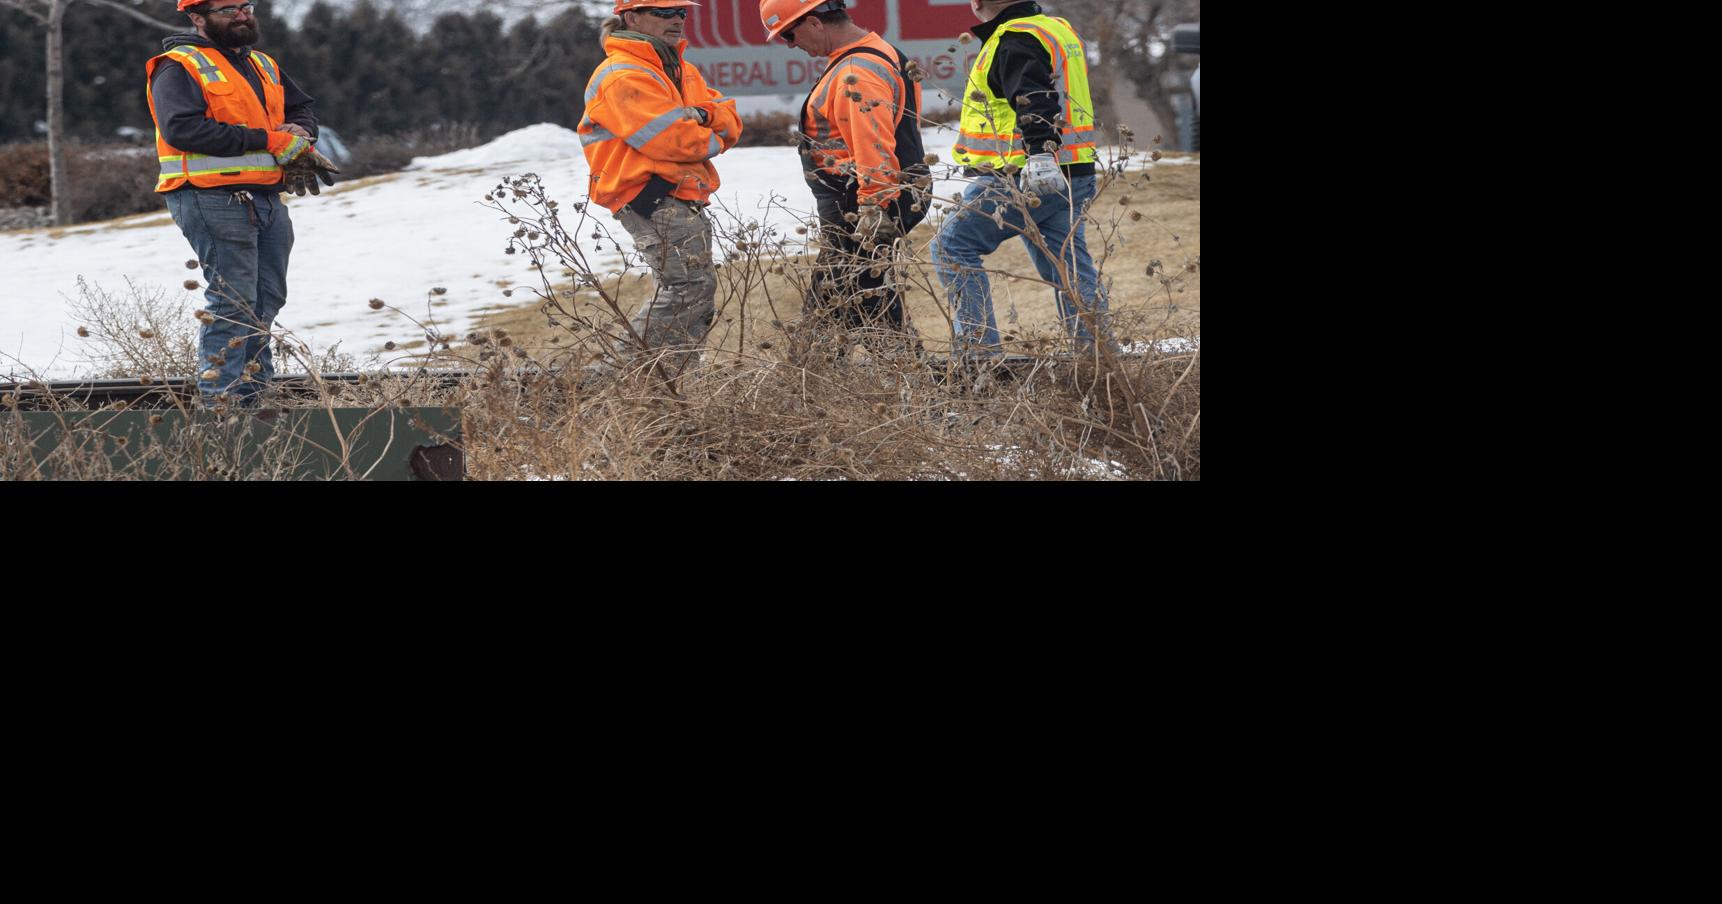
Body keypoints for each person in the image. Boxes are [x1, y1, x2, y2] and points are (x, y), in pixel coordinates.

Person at [147, 0, 337, 408]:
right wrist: (270, 140)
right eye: (227, 8)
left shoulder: (263, 64)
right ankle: (222, 409)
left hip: (265, 196)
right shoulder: (178, 65)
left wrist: (299, 130)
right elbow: (182, 129)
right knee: (233, 301)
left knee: (266, 299)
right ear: (197, 17)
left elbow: (301, 106)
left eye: (245, 5)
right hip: (208, 194)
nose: (241, 14)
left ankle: (254, 399)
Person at [930, 0, 1110, 359]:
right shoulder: (1056, 28)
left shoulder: (1014, 39)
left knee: (952, 246)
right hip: (1072, 172)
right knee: (1067, 267)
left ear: (977, 2)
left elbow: (1035, 100)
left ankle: (979, 353)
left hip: (1023, 175)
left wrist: (1041, 153)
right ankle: (1099, 355)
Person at [579, 0, 742, 379]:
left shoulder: (679, 69)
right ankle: (611, 383)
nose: (677, 20)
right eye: (664, 12)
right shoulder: (623, 75)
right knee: (687, 287)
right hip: (650, 196)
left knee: (694, 291)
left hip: (680, 193)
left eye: (682, 13)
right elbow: (676, 142)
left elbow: (730, 120)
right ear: (631, 17)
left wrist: (702, 116)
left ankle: (669, 384)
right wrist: (705, 122)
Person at [760, 0, 928, 355]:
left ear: (814, 23)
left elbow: (873, 143)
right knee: (852, 293)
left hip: (863, 201)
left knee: (849, 295)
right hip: (873, 195)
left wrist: (873, 206)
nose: (790, 44)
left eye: (789, 34)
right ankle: (831, 382)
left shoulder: (857, 70)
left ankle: (823, 383)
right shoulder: (876, 51)